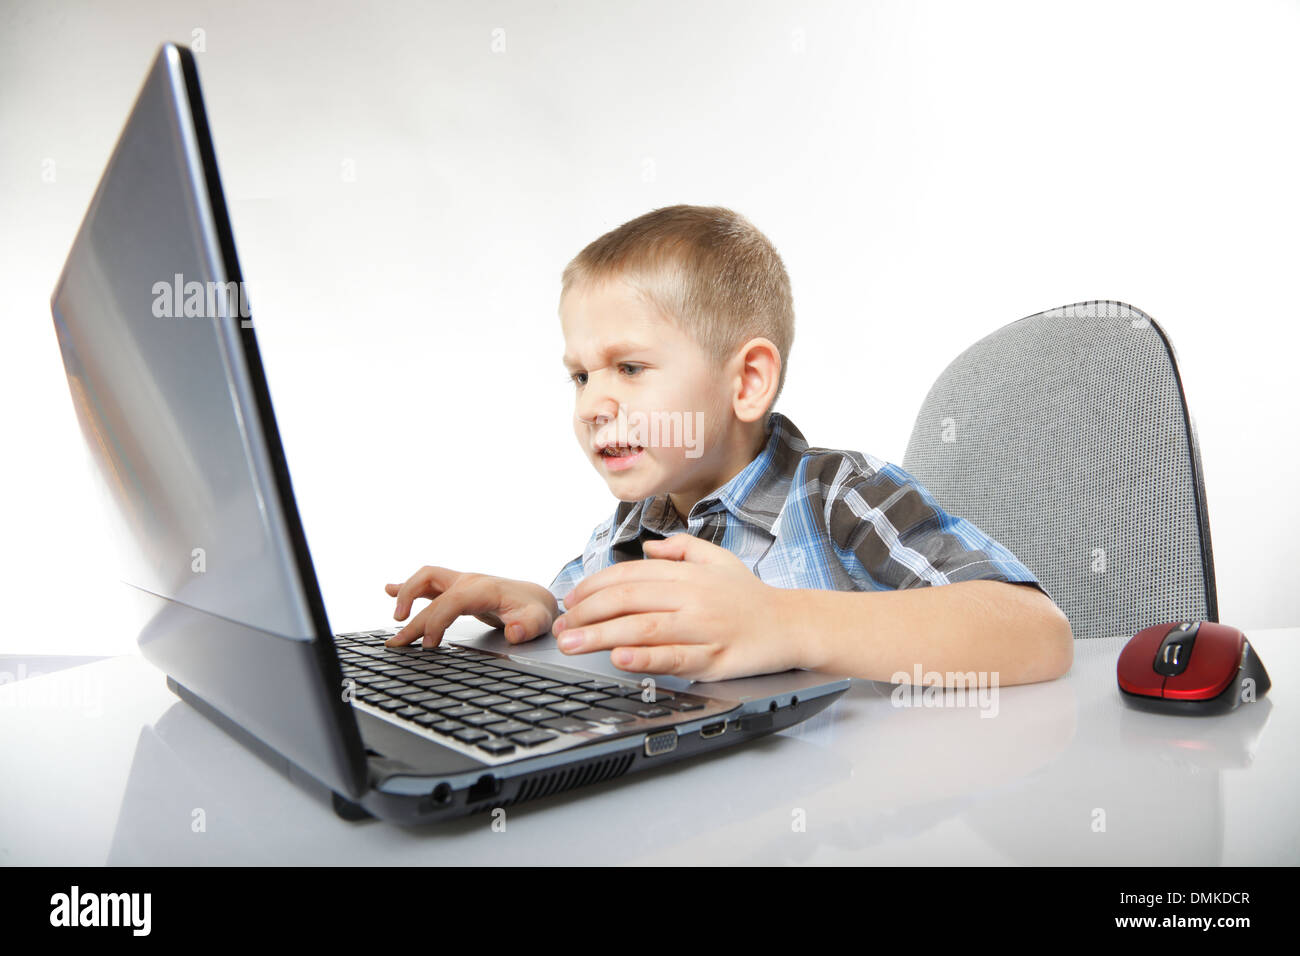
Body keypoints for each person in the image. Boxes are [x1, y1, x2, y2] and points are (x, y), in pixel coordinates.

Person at [385, 205, 1072, 685]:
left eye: (628, 368)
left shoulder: (840, 496)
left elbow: (1034, 631)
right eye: (579, 375)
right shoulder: (636, 525)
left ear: (746, 381)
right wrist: (533, 604)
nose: (594, 404)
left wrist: (782, 620)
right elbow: (580, 613)